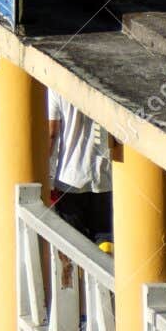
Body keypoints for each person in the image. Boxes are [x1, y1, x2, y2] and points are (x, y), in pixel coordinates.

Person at [47, 88, 112, 248]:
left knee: (72, 244)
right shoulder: (106, 86)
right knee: (104, 238)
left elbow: (51, 133)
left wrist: (43, 172)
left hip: (70, 178)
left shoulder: (56, 87)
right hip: (103, 176)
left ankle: (76, 273)